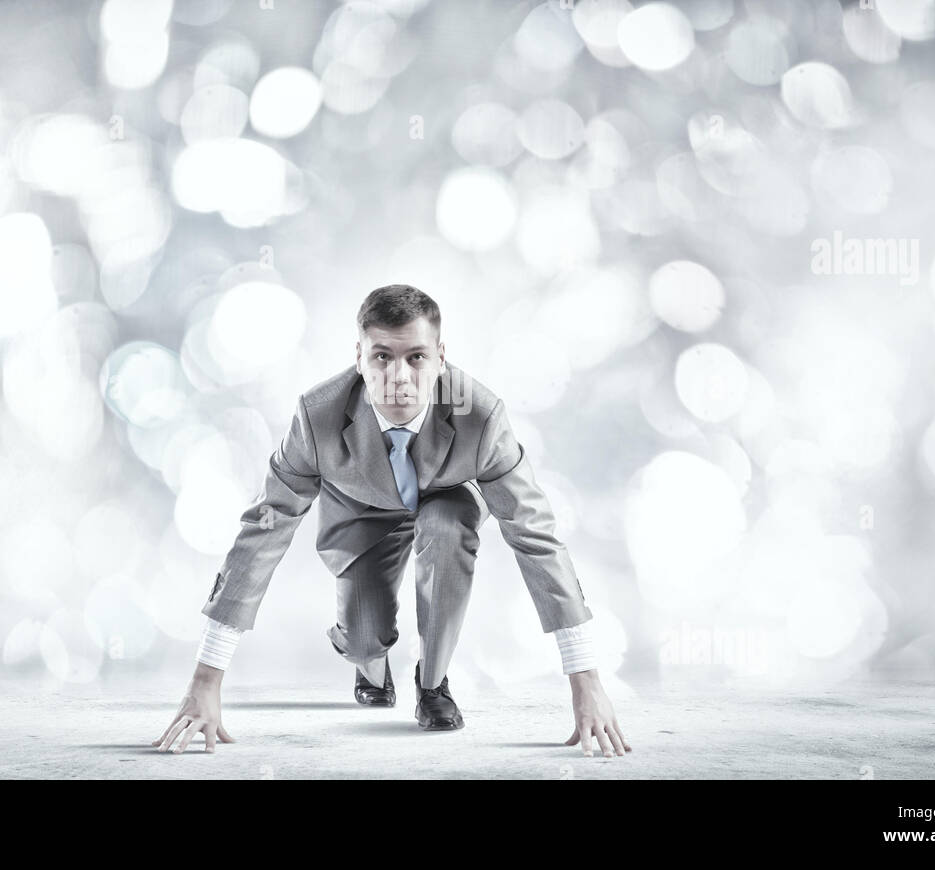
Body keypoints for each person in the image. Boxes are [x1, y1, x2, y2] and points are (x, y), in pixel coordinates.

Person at [153, 284, 630, 757]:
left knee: (446, 527)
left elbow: (535, 535)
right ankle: (366, 662)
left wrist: (585, 679)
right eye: (382, 356)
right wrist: (205, 678)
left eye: (416, 357)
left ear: (441, 357)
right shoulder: (317, 416)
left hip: (446, 502)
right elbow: (266, 527)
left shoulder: (480, 417)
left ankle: (433, 685)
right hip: (360, 514)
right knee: (365, 638)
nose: (398, 375)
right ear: (358, 357)